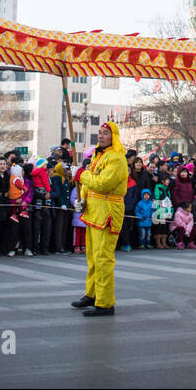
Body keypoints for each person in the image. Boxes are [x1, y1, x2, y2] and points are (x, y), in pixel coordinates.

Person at [71, 121, 127, 316]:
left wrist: (81, 175)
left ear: (114, 136)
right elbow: (91, 183)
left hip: (108, 211)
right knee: (93, 258)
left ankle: (105, 303)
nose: (100, 136)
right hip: (94, 211)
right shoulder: (98, 155)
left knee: (103, 258)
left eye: (105, 133)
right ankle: (92, 294)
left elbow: (102, 184)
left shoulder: (117, 159)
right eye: (99, 133)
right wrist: (83, 199)